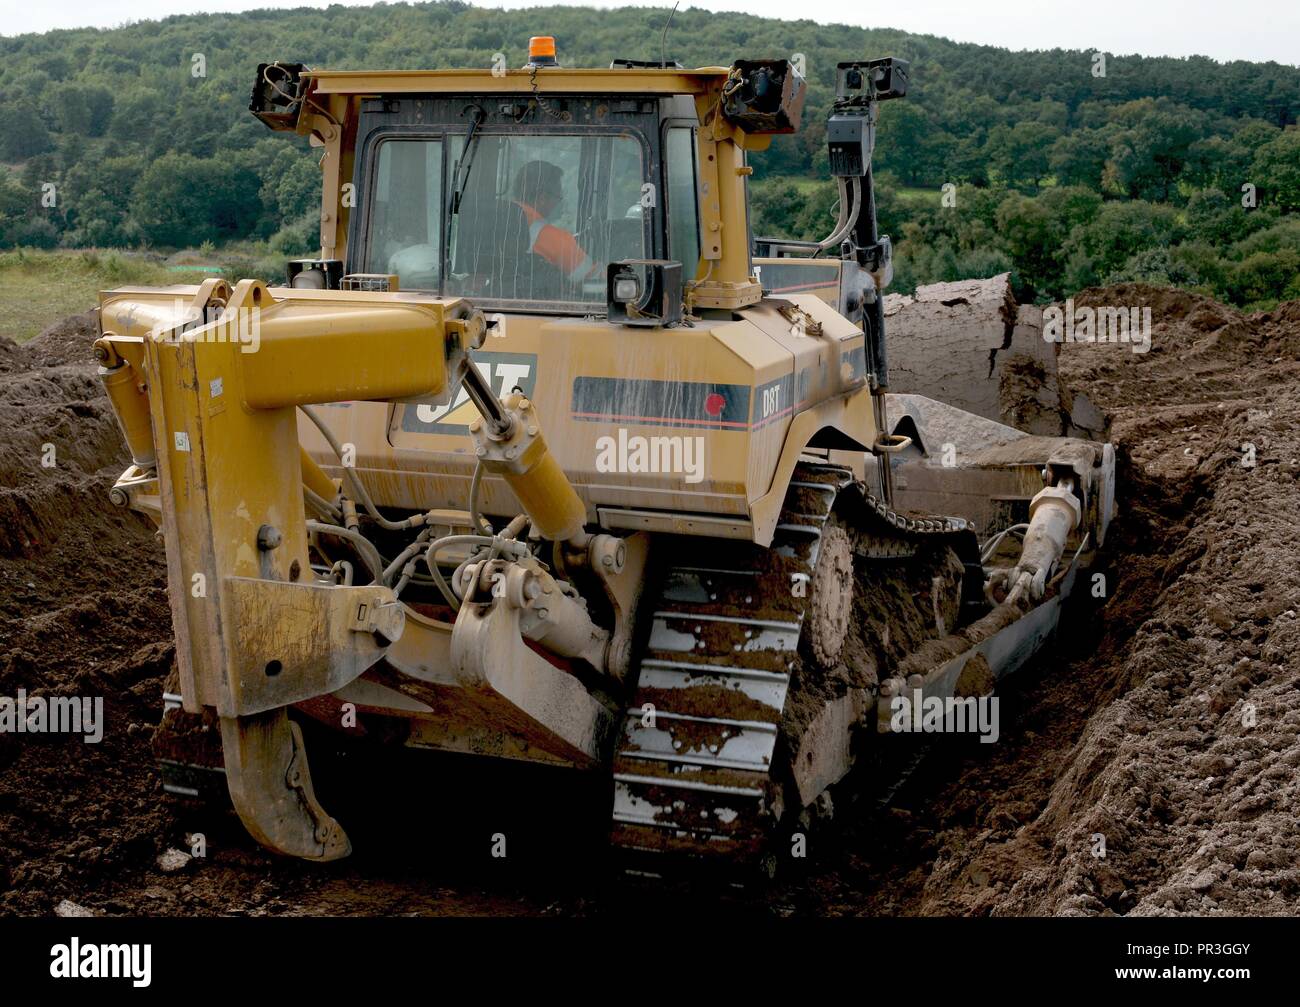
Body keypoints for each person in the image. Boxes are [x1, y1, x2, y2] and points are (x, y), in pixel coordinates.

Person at [512, 160, 601, 284]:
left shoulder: (492, 223)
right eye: (559, 197)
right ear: (542, 198)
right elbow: (591, 277)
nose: (560, 203)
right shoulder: (553, 238)